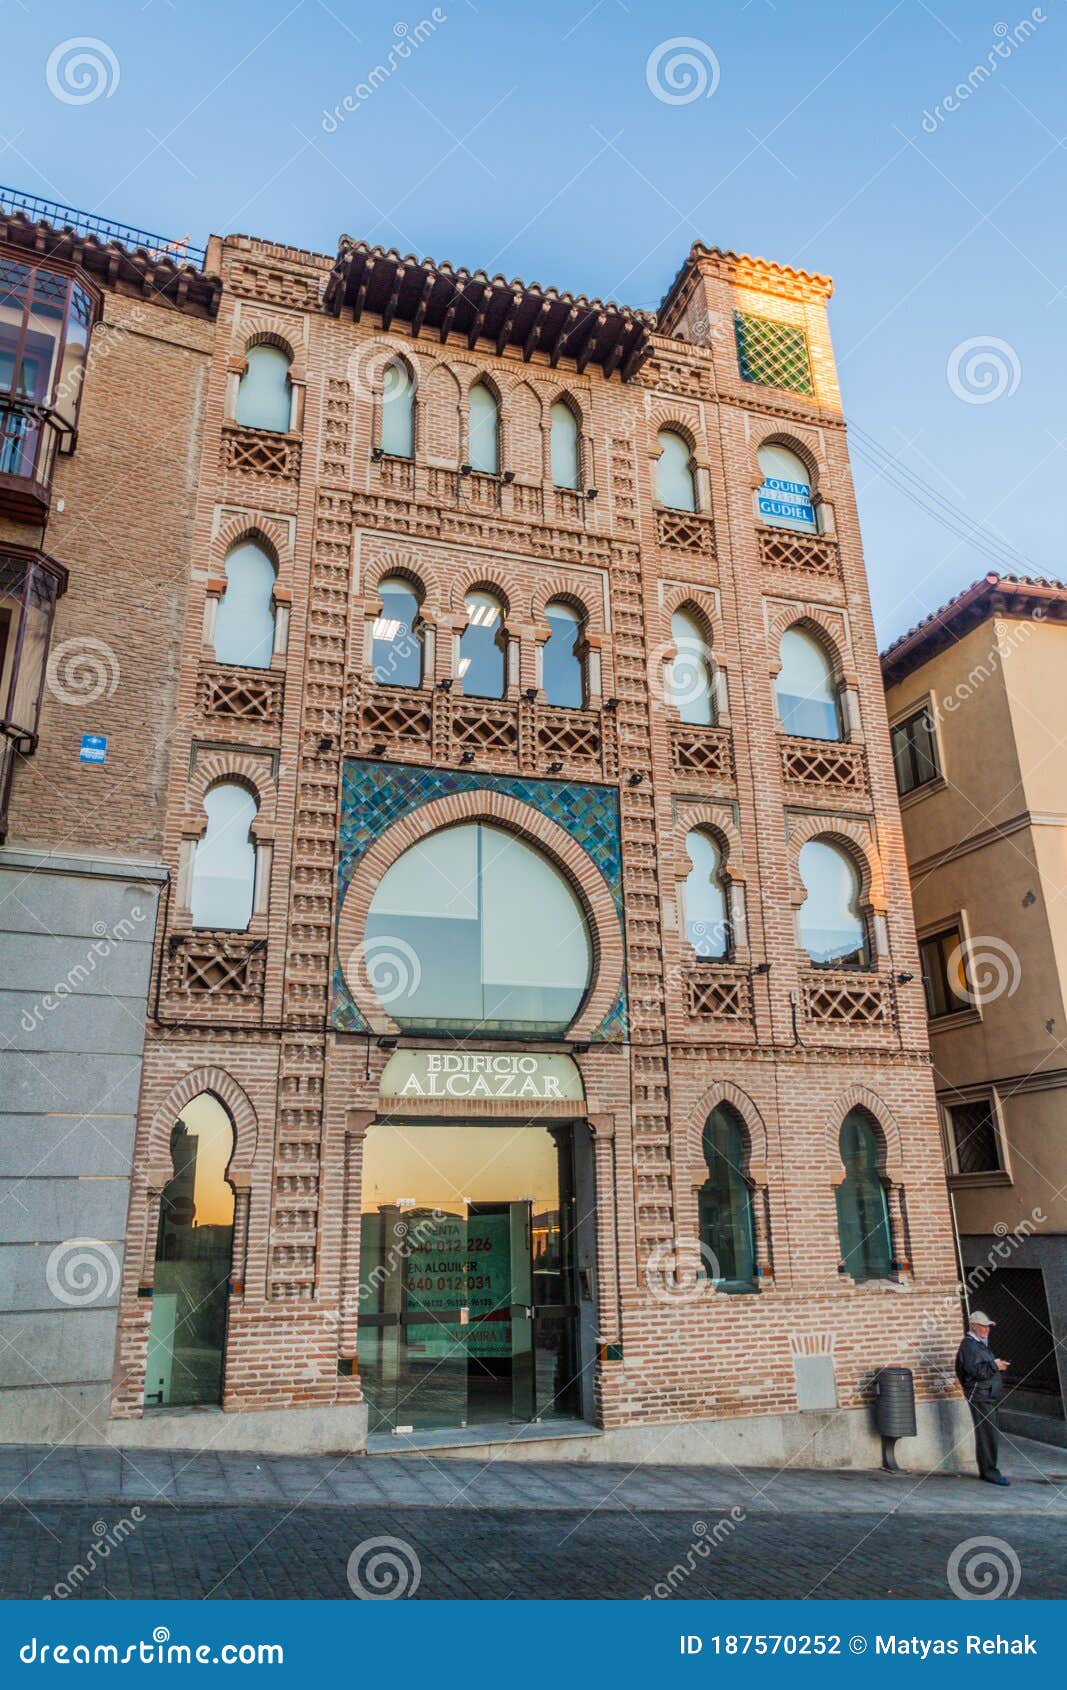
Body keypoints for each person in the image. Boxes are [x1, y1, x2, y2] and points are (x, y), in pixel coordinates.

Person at [955, 1311, 1011, 1485]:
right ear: (973, 1326)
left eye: (988, 1326)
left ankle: (988, 1470)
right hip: (981, 1396)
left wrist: (995, 1365)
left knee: (989, 1434)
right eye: (982, 1326)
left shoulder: (979, 1345)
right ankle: (990, 1473)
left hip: (987, 1395)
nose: (986, 1329)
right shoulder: (970, 1346)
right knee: (988, 1435)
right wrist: (995, 1366)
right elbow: (976, 1372)